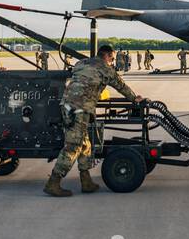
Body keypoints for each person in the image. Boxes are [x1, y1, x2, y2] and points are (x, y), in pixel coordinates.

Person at [44, 44, 146, 198]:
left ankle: (86, 181)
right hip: (80, 108)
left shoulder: (82, 63)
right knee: (73, 146)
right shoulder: (106, 68)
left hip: (68, 106)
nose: (112, 61)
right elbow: (121, 86)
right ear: (108, 55)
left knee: (85, 144)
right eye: (112, 58)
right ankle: (53, 182)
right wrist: (134, 98)